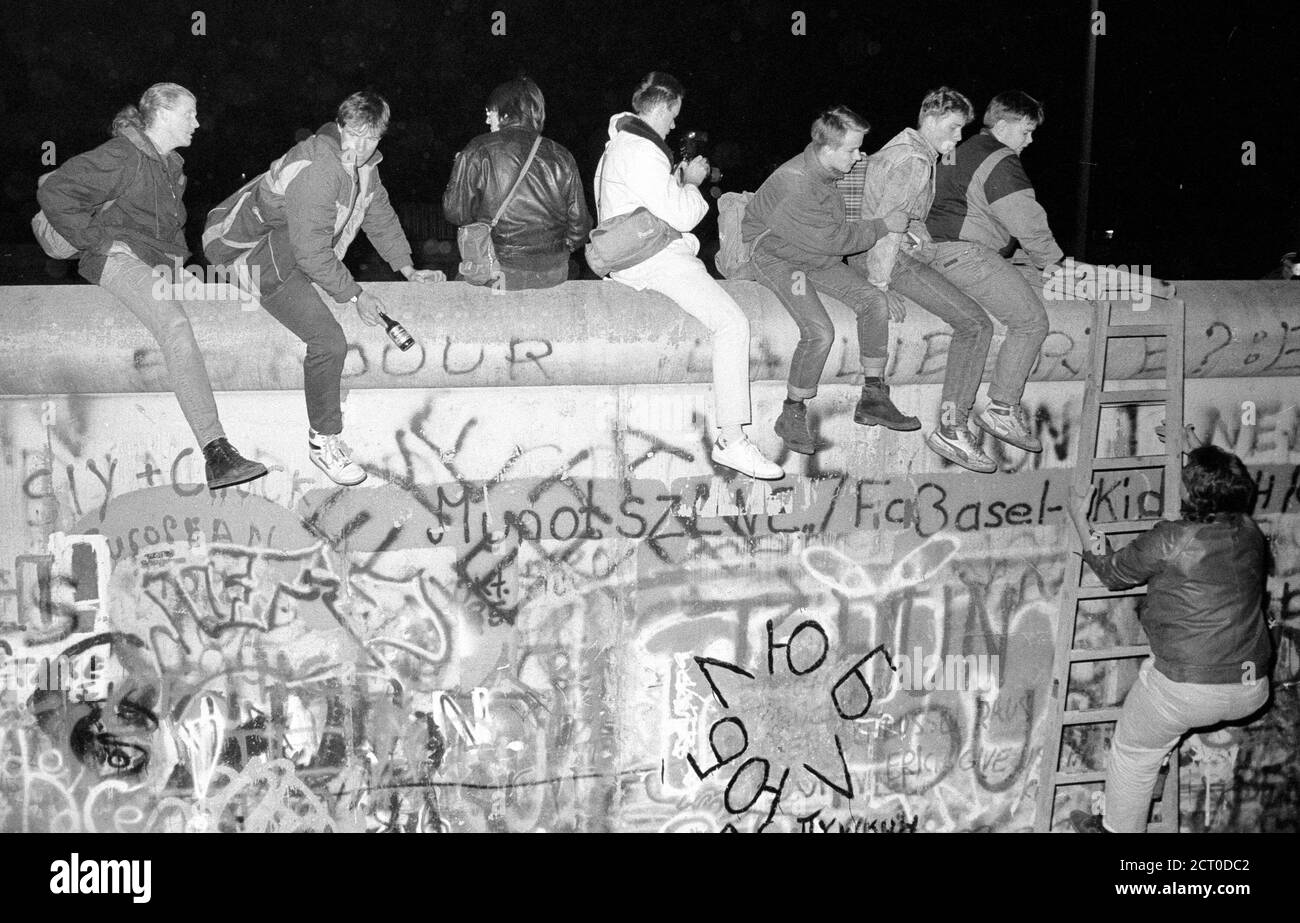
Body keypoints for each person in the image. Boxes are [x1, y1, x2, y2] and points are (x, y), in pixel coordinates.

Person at [204, 91, 444, 486]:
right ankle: (323, 441)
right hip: (248, 254)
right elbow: (311, 252)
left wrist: (407, 268)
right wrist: (354, 295)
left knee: (318, 266)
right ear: (340, 125)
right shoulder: (320, 166)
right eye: (355, 134)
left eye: (372, 138)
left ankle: (325, 436)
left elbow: (378, 214)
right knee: (329, 342)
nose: (361, 147)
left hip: (291, 248)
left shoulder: (365, 166)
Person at [36, 83, 266, 491]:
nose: (197, 122)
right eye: (190, 114)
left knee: (234, 294)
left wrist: (185, 269)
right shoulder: (122, 155)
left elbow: (161, 234)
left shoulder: (169, 166)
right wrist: (101, 242)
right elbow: (56, 192)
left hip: (154, 263)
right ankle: (216, 451)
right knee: (174, 325)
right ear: (162, 114)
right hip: (116, 261)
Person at [1067, 437, 1273, 833]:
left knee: (1133, 752)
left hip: (1189, 689)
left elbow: (1113, 572)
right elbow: (1221, 490)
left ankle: (1115, 831)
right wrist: (1200, 451)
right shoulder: (1251, 533)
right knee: (1154, 723)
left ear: (1195, 491)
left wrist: (1080, 519)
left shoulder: (1172, 538)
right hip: (1251, 686)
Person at [595, 72, 782, 479]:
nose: (675, 124)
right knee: (732, 324)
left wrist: (676, 179)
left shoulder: (620, 146)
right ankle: (732, 439)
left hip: (630, 258)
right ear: (662, 107)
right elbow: (681, 215)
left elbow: (650, 201)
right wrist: (694, 185)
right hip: (654, 260)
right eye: (674, 115)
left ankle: (732, 438)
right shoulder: (642, 150)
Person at [841, 88, 1001, 473]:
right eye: (954, 127)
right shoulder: (914, 160)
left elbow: (895, 216)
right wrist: (878, 287)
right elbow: (888, 229)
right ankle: (953, 426)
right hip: (887, 261)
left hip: (869, 253)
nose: (958, 137)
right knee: (976, 325)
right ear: (929, 118)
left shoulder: (901, 147)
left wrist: (919, 235)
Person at [742, 106, 913, 455]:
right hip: (782, 260)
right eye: (852, 150)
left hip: (816, 254)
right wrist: (885, 225)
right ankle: (791, 412)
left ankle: (874, 397)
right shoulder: (796, 183)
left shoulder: (825, 169)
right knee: (819, 330)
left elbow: (829, 239)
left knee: (874, 301)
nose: (859, 156)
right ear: (827, 148)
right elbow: (836, 240)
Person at [925, 91, 1070, 457]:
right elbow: (1028, 222)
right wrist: (1054, 264)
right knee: (1031, 322)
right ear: (1003, 126)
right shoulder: (1001, 160)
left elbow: (965, 209)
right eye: (1026, 131)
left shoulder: (961, 150)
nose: (1030, 140)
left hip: (936, 251)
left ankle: (959, 422)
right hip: (966, 255)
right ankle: (1003, 408)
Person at [443, 76, 591, 290]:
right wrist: (554, 252)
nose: (487, 121)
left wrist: (459, 170)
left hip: (497, 271)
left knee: (460, 295)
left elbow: (456, 213)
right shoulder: (561, 155)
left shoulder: (479, 149)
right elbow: (579, 228)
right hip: (552, 273)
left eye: (489, 113)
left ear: (505, 113)